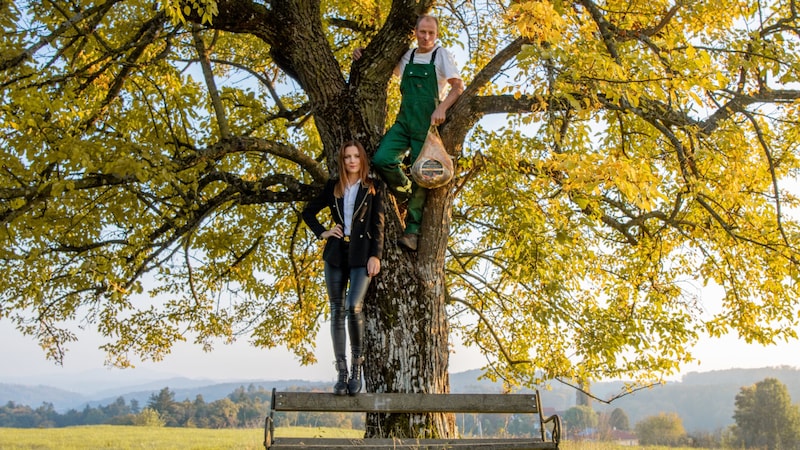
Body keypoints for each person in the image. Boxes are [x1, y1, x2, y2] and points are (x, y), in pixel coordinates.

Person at [354, 14, 464, 251]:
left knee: (422, 176)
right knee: (382, 159)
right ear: (415, 31)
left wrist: (442, 108)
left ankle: (412, 231)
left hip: (427, 126)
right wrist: (363, 55)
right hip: (403, 122)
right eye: (422, 32)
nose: (426, 37)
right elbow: (384, 68)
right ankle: (403, 192)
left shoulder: (440, 55)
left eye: (431, 33)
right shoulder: (408, 56)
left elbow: (458, 87)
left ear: (436, 35)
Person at [301, 140, 385, 396]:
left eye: (355, 156)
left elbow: (379, 224)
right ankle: (342, 373)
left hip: (362, 255)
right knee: (336, 309)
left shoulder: (373, 187)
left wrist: (377, 256)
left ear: (362, 160)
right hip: (337, 253)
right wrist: (324, 232)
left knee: (353, 307)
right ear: (342, 160)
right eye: (347, 156)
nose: (351, 161)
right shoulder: (333, 187)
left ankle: (357, 368)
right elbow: (308, 213)